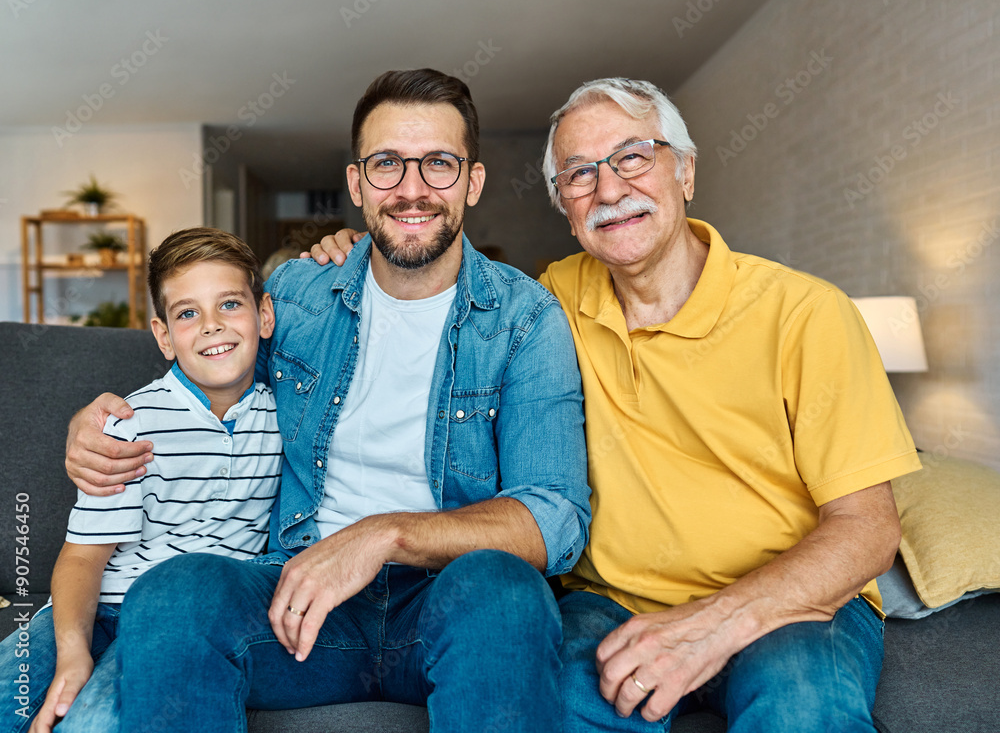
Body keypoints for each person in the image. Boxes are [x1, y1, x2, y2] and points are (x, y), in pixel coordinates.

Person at [312, 77, 921, 732]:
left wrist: (710, 625)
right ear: (564, 206)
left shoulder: (806, 313)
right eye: (579, 173)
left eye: (632, 157)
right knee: (549, 707)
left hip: (789, 605)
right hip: (609, 604)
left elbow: (867, 529)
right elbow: (428, 274)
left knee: (803, 711)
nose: (608, 190)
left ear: (685, 171)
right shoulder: (547, 306)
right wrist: (354, 251)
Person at [64, 69, 589, 733]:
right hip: (299, 592)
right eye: (387, 164)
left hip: (451, 600)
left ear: (473, 181)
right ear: (357, 183)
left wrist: (383, 535)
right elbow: (213, 377)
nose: (412, 189)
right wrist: (97, 421)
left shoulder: (525, 319)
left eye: (439, 163)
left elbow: (555, 519)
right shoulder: (299, 293)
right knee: (175, 592)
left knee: (508, 591)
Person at [0, 227, 281, 733]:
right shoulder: (132, 424)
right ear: (164, 336)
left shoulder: (287, 417)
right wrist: (73, 652)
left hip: (179, 622)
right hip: (96, 608)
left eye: (230, 304)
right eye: (188, 313)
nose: (212, 326)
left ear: (264, 316)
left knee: (90, 725)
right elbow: (84, 557)